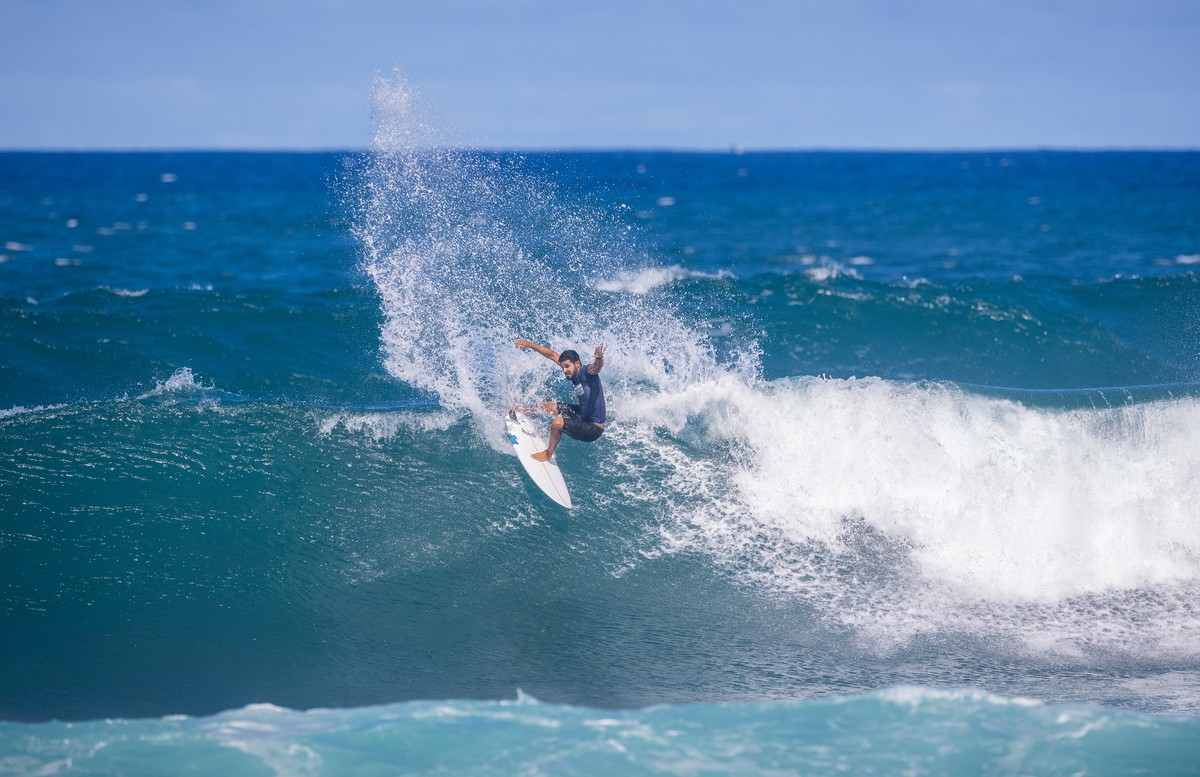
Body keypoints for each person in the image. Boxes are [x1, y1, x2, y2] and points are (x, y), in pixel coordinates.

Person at [514, 338, 606, 462]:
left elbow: (597, 367)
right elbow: (552, 355)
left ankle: (548, 454)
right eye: (563, 367)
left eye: (567, 367)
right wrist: (529, 344)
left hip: (593, 428)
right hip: (583, 414)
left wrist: (599, 358)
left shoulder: (586, 372)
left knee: (557, 423)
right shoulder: (572, 372)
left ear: (577, 364)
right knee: (546, 405)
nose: (564, 370)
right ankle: (528, 412)